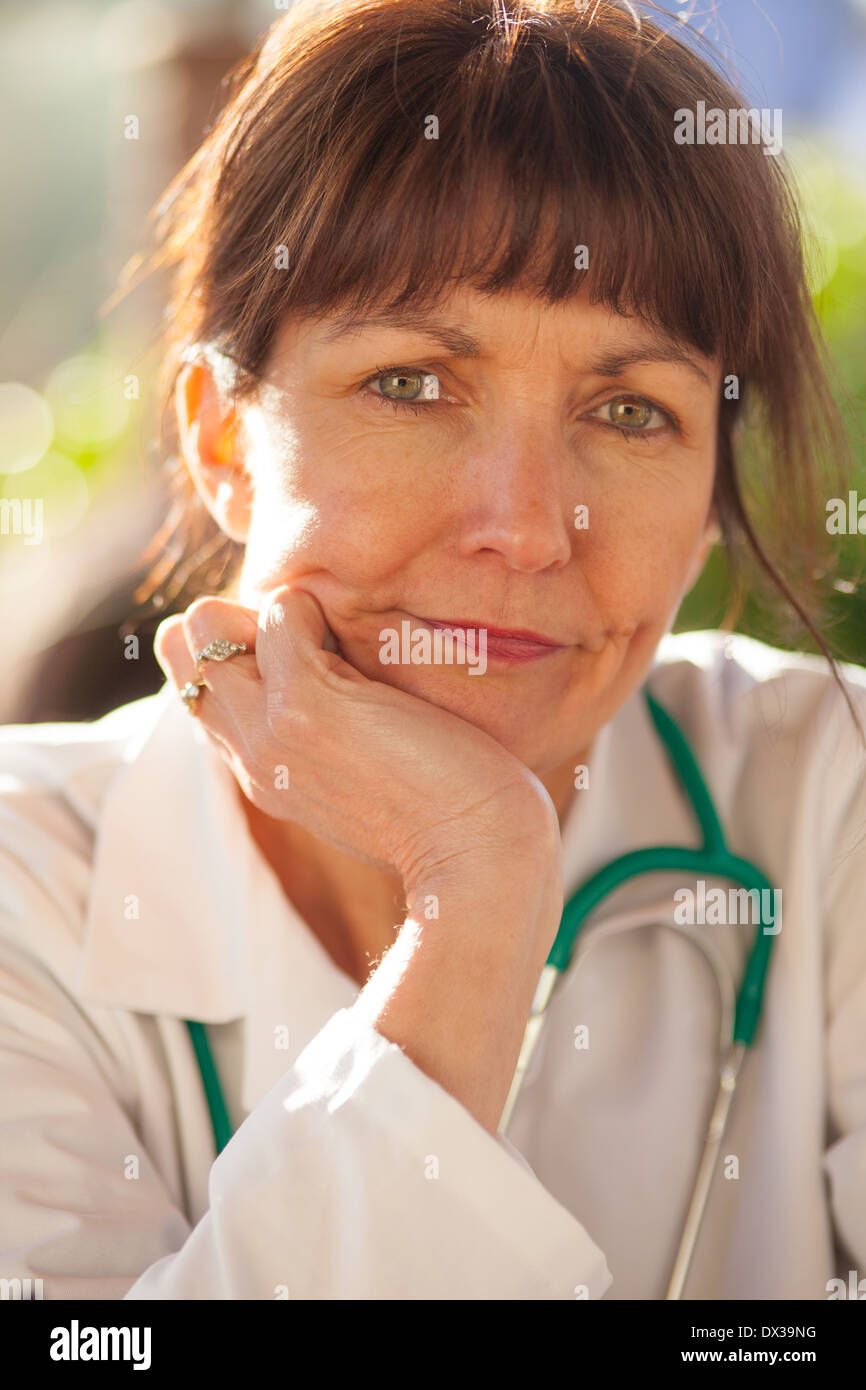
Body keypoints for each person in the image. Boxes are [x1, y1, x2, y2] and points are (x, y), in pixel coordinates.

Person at [1, 0, 864, 1302]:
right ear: (222, 442)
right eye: (410, 383)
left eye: (631, 411)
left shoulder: (831, 797)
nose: (522, 525)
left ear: (703, 508)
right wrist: (476, 882)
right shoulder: (27, 898)